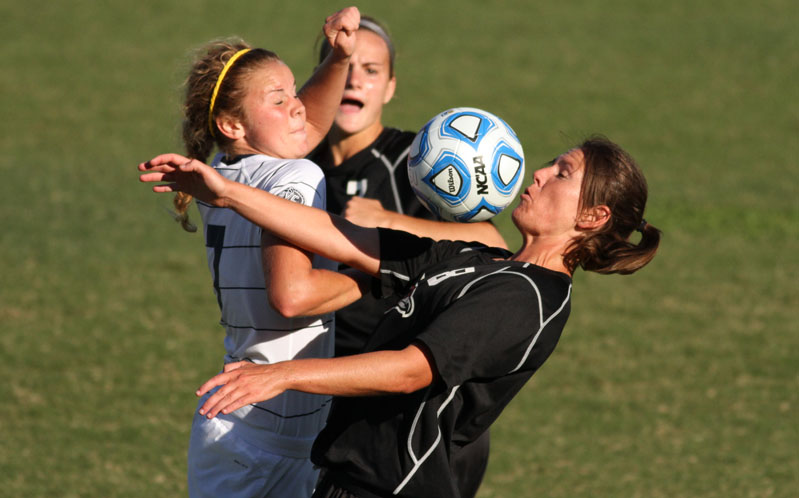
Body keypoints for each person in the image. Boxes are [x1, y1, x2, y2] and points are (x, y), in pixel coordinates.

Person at [138, 135, 661, 497]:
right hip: (349, 479)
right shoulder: (481, 262)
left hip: (391, 488)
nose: (540, 172)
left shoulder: (530, 297)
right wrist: (226, 192)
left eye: (563, 173)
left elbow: (413, 368)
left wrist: (282, 374)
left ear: (592, 217)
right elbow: (344, 236)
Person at [169, 7, 364, 498]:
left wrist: (338, 59)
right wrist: (386, 274)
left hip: (242, 432)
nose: (298, 106)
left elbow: (304, 128)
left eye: (295, 91)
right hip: (265, 439)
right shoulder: (294, 176)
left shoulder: (223, 171)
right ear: (233, 124)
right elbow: (293, 296)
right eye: (279, 100)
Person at [307, 16, 502, 496]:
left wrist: (389, 221)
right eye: (345, 67)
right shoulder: (298, 169)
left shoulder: (419, 159)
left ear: (390, 88)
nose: (355, 79)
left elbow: (493, 244)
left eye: (371, 70)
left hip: (410, 406)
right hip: (327, 387)